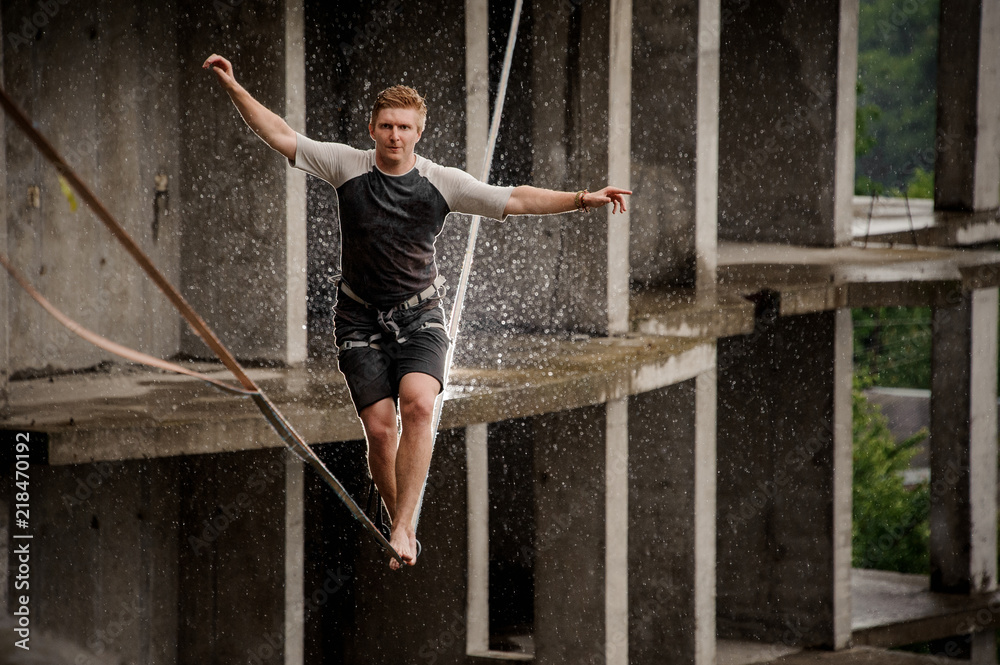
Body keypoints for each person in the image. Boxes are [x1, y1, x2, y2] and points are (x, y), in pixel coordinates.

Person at [203, 54, 630, 570]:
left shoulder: (441, 181)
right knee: (382, 431)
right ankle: (398, 519)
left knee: (419, 405)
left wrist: (582, 198)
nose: (394, 135)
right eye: (386, 126)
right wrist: (234, 86)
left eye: (404, 127)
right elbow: (278, 133)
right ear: (372, 129)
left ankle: (405, 525)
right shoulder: (345, 165)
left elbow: (515, 199)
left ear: (419, 133)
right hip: (358, 318)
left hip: (419, 315)